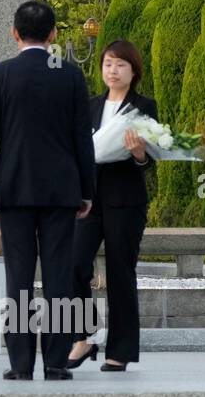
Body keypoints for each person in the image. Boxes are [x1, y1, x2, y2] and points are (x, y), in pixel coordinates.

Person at [0, 0, 95, 381]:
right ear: (54, 34)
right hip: (61, 190)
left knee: (19, 277)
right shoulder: (72, 77)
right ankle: (57, 361)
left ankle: (20, 362)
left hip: (14, 189)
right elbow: (82, 138)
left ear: (14, 33)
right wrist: (86, 189)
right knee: (59, 275)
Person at [67, 40, 156, 372]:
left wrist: (139, 155)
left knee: (120, 273)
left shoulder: (145, 107)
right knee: (73, 264)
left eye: (120, 65)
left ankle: (119, 352)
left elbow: (150, 161)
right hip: (88, 202)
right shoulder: (89, 107)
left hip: (125, 202)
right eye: (107, 64)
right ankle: (82, 336)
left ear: (134, 71)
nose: (113, 70)